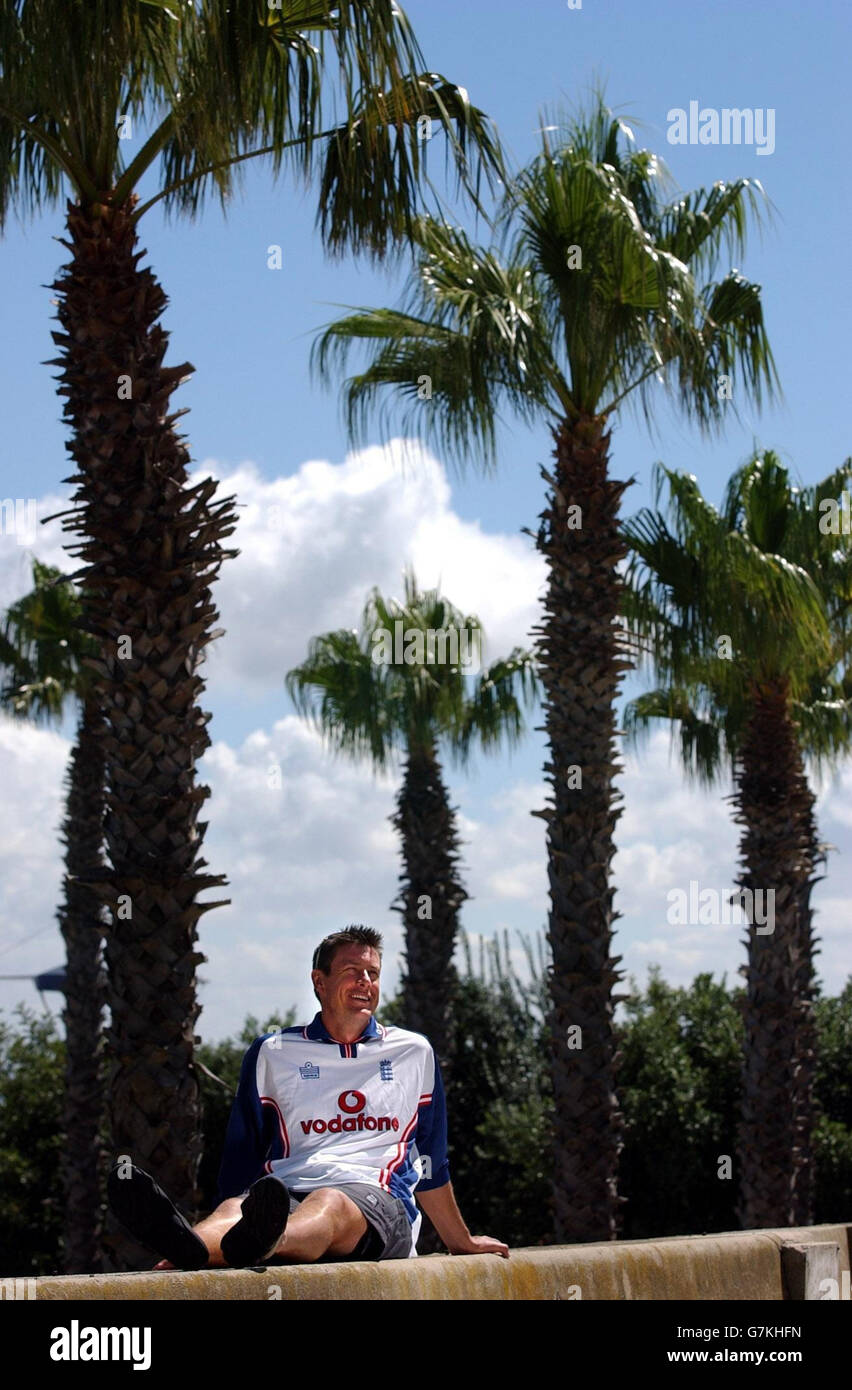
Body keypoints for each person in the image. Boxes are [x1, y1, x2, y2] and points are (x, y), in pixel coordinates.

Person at [108, 925, 509, 1268]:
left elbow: (431, 1160)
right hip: (281, 1193)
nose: (365, 982)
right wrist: (219, 1219)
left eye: (373, 973)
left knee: (330, 1203)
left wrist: (462, 1241)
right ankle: (193, 1245)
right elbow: (242, 1156)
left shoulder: (413, 1051)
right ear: (320, 981)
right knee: (235, 1210)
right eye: (353, 971)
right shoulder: (273, 1052)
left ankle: (261, 1243)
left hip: (376, 1199)